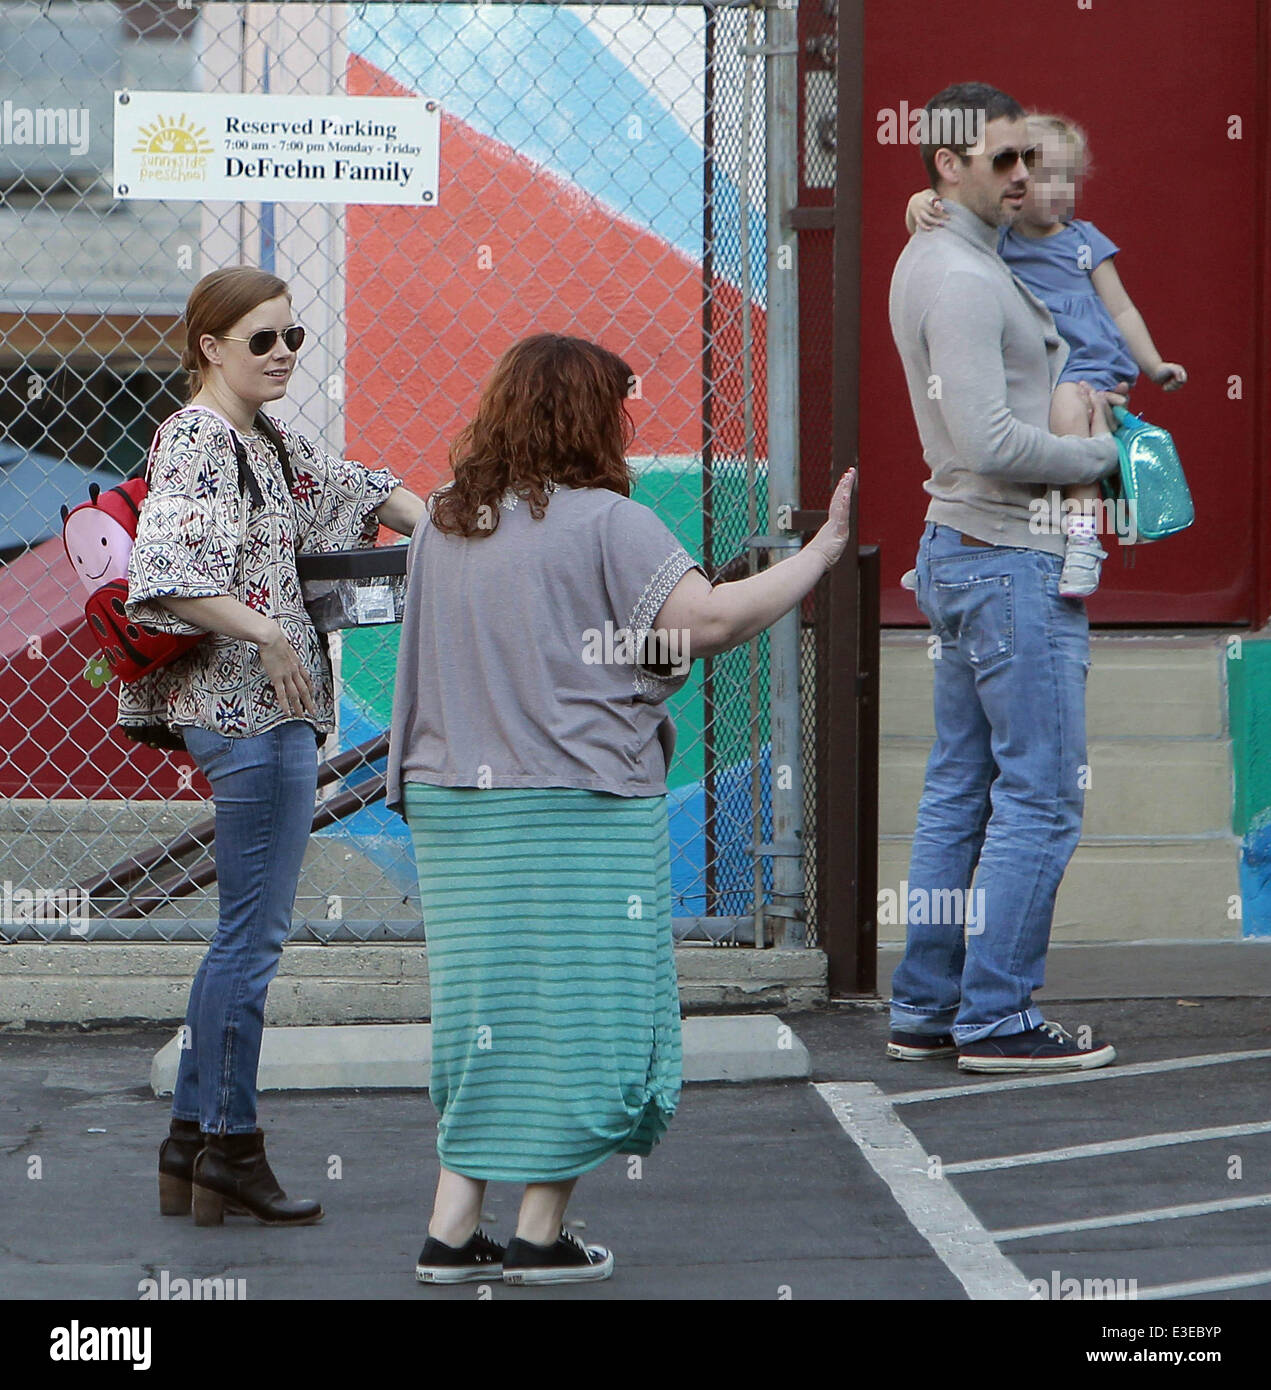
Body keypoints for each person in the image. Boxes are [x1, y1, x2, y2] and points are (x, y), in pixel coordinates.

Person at [387, 332, 855, 1284]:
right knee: (584, 1014)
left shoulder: (444, 521)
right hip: (579, 806)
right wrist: (821, 556)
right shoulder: (608, 522)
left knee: (488, 1012)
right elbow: (710, 621)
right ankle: (539, 1234)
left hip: (454, 804)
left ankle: (451, 1227)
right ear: (588, 416)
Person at [123, 265, 427, 1225]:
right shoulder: (198, 440)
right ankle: (230, 1145)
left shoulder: (267, 440)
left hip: (271, 710)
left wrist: (451, 533)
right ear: (210, 347)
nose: (285, 354)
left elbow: (361, 488)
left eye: (292, 338)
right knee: (250, 942)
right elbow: (166, 580)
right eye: (263, 340)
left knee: (243, 938)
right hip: (242, 711)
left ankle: (192, 1146)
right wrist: (264, 633)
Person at [888, 83, 1126, 1074]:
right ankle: (994, 1017)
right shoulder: (963, 277)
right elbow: (987, 440)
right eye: (1002, 161)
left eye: (1029, 157)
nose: (1024, 176)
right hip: (1007, 557)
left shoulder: (942, 256)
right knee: (1042, 795)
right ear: (946, 167)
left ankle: (926, 1005)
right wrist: (1100, 459)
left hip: (964, 554)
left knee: (959, 787)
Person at [904, 112, 1187, 595]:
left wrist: (1154, 363)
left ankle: (1083, 541)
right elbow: (950, 206)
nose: (1059, 189)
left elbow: (1120, 310)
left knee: (1068, 420)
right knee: (987, 428)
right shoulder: (1003, 238)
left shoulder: (1084, 242)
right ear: (1013, 179)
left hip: (1085, 363)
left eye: (1069, 178)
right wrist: (919, 200)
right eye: (1044, 175)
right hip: (1035, 364)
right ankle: (958, 545)